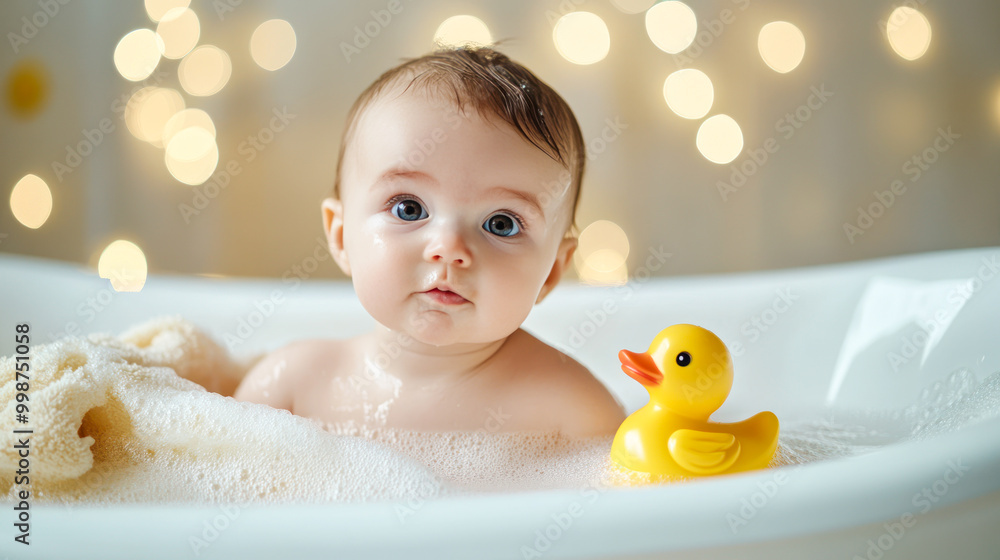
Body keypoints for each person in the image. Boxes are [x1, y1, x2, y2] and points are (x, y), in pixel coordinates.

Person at [234, 46, 625, 437]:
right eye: (409, 208)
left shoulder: (574, 411)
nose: (450, 248)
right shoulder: (290, 389)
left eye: (501, 224)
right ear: (340, 236)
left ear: (552, 271)